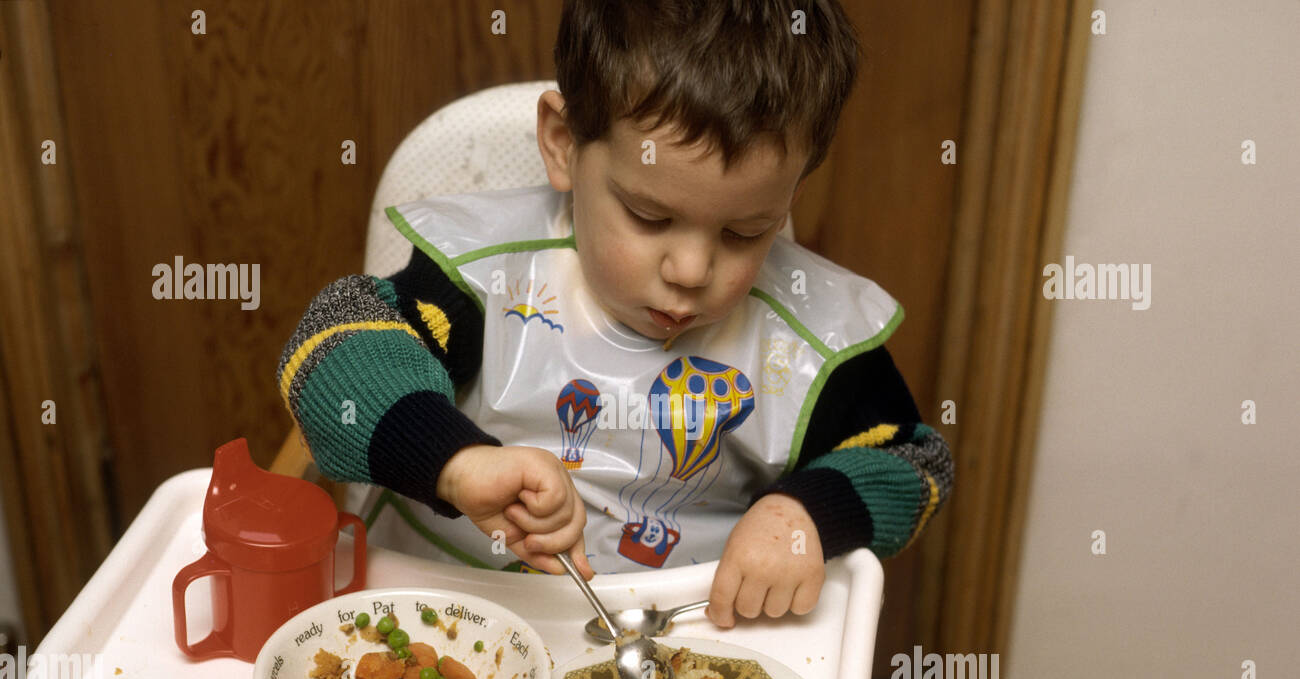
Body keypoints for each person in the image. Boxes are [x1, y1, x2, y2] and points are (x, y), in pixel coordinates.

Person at [276, 0, 953, 629]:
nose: (691, 270)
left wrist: (806, 512)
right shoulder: (487, 280)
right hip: (447, 617)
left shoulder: (810, 340)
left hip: (682, 636)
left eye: (746, 231)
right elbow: (332, 348)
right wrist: (455, 460)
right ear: (565, 143)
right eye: (650, 215)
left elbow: (915, 459)